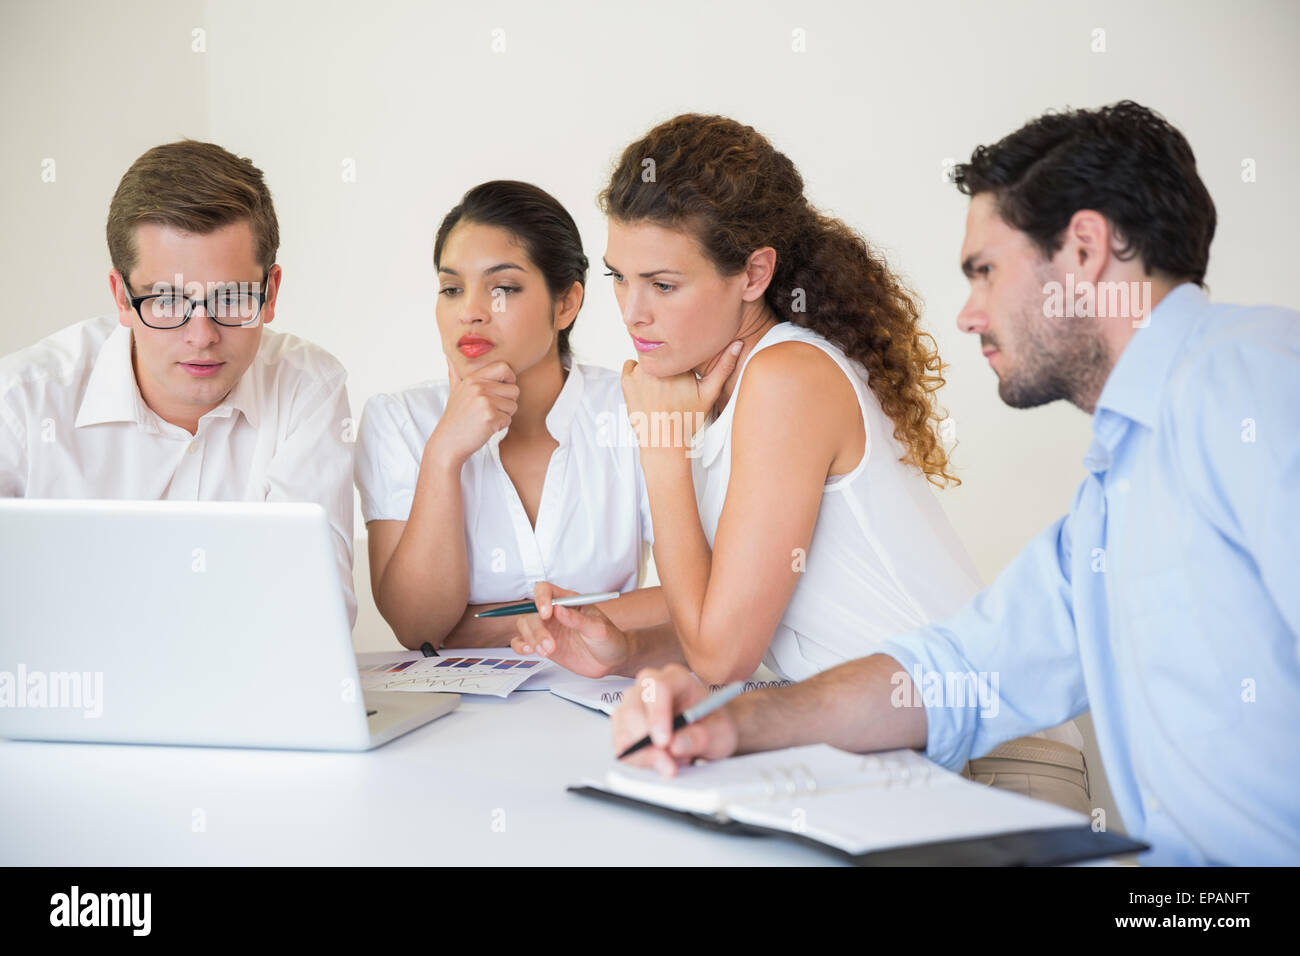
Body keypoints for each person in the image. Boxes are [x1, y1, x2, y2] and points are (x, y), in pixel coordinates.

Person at [611, 101, 1300, 866]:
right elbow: (958, 673)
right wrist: (728, 725)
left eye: (985, 272)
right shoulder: (1116, 487)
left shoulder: (1251, 382)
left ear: (1086, 250)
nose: (968, 314)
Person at [0, 140, 357, 627]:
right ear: (121, 299)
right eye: (167, 299)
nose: (202, 336)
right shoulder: (21, 402)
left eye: (230, 297)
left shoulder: (307, 389)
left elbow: (316, 613)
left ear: (270, 293)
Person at [355, 181, 668, 651]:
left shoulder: (633, 408)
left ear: (566, 304)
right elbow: (419, 630)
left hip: (603, 703)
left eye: (503, 288)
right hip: (459, 720)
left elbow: (694, 598)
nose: (471, 312)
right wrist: (443, 455)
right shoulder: (399, 421)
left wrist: (471, 629)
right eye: (452, 289)